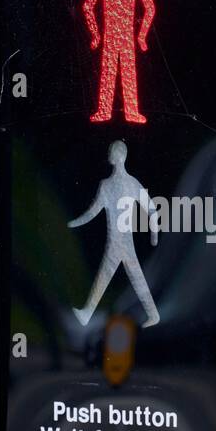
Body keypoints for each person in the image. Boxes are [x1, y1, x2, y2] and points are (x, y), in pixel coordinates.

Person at [69, 140, 160, 327]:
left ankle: (87, 314)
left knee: (114, 276)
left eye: (112, 151)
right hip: (119, 244)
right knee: (124, 277)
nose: (109, 154)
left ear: (119, 155)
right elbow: (92, 212)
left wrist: (154, 235)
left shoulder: (124, 184)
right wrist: (75, 222)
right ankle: (153, 314)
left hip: (121, 244)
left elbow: (152, 210)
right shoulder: (113, 185)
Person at [82, 0, 155, 123]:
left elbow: (87, 7)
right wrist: (141, 36)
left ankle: (107, 111)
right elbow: (150, 8)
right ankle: (128, 112)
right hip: (124, 36)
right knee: (124, 73)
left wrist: (95, 35)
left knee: (110, 73)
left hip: (112, 35)